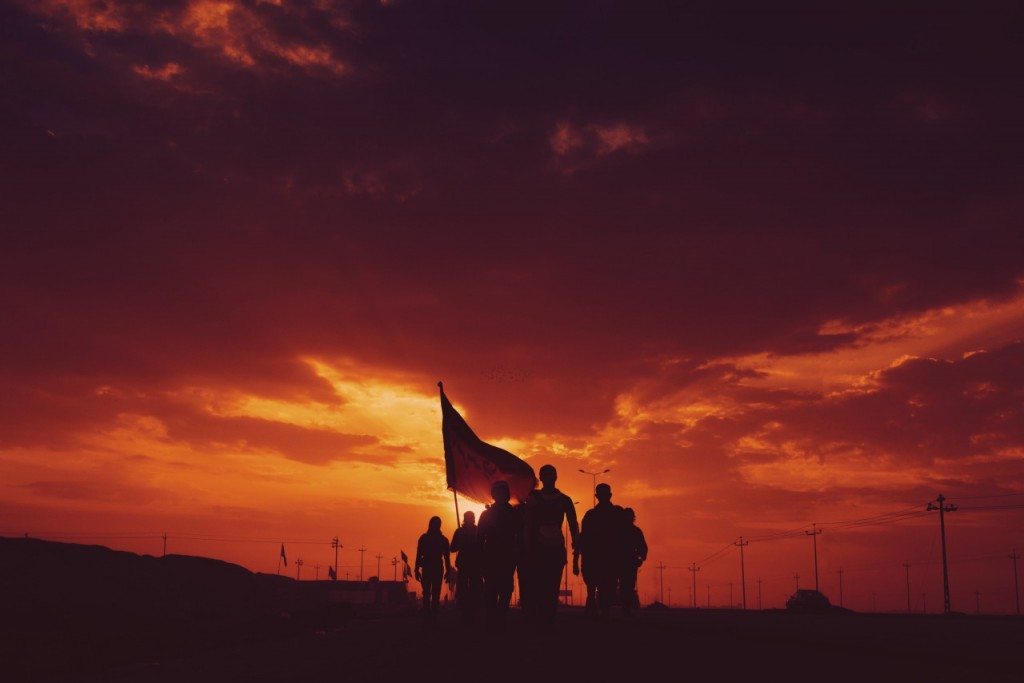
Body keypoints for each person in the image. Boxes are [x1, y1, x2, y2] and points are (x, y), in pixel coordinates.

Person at [522, 464, 578, 625]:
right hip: (536, 548)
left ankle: (549, 616)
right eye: (545, 475)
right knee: (538, 583)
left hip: (556, 547)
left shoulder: (565, 500)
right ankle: (539, 616)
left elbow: (573, 523)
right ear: (541, 478)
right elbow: (526, 521)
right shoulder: (533, 497)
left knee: (553, 584)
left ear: (555, 477)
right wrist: (526, 545)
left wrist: (576, 542)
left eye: (551, 475)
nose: (548, 478)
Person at [478, 480, 521, 628]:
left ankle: (501, 616)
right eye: (498, 492)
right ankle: (491, 618)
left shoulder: (515, 513)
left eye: (503, 492)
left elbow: (519, 535)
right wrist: (480, 558)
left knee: (505, 588)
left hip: (508, 556)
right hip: (490, 555)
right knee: (490, 588)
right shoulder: (486, 514)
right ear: (494, 495)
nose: (501, 495)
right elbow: (480, 537)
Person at [578, 483, 623, 618]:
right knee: (603, 583)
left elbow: (584, 537)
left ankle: (598, 607)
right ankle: (600, 608)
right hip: (603, 556)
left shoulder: (592, 515)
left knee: (602, 583)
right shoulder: (616, 513)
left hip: (603, 555)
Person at [414, 516, 451, 622]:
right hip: (432, 567)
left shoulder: (427, 538)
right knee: (430, 593)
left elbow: (446, 557)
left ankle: (431, 617)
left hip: (432, 567)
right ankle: (430, 617)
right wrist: (416, 569)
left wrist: (448, 571)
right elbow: (419, 555)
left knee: (431, 593)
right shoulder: (440, 539)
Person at [450, 510, 483, 625]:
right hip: (469, 564)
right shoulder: (474, 530)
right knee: (467, 588)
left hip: (472, 564)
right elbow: (453, 548)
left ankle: (469, 611)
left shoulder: (464, 531)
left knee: (471, 588)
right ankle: (467, 611)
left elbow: (452, 548)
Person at [619, 507, 648, 616]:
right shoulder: (621, 532)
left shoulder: (635, 531)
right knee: (625, 584)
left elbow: (643, 548)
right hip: (623, 561)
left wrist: (641, 558)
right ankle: (625, 606)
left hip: (629, 562)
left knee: (628, 584)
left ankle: (626, 606)